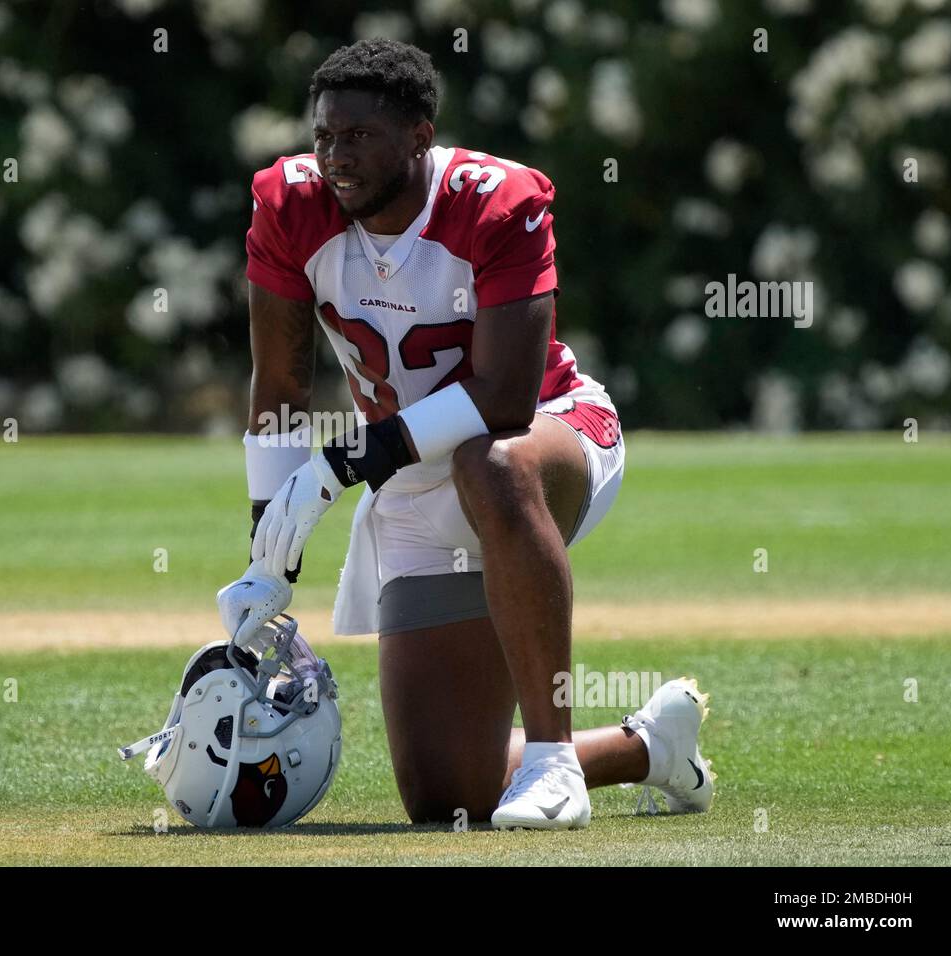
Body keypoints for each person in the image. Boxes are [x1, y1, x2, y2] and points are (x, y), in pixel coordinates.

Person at [221, 38, 713, 829]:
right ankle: (647, 748)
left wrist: (335, 469)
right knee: (450, 796)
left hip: (550, 433)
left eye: (359, 137)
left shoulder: (495, 199)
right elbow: (277, 384)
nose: (335, 157)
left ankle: (552, 758)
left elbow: (504, 396)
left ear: (420, 135)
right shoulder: (290, 204)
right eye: (324, 136)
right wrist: (265, 554)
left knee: (492, 463)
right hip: (414, 472)